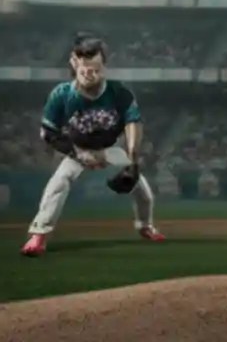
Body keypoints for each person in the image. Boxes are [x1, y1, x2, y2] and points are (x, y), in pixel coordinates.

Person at [20, 34, 165, 256]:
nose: (90, 74)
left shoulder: (119, 92)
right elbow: (48, 133)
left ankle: (145, 226)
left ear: (104, 67)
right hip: (77, 148)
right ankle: (38, 236)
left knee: (143, 192)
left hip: (111, 148)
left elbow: (133, 122)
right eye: (85, 69)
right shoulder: (62, 95)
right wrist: (78, 154)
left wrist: (133, 160)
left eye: (95, 70)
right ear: (74, 63)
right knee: (58, 183)